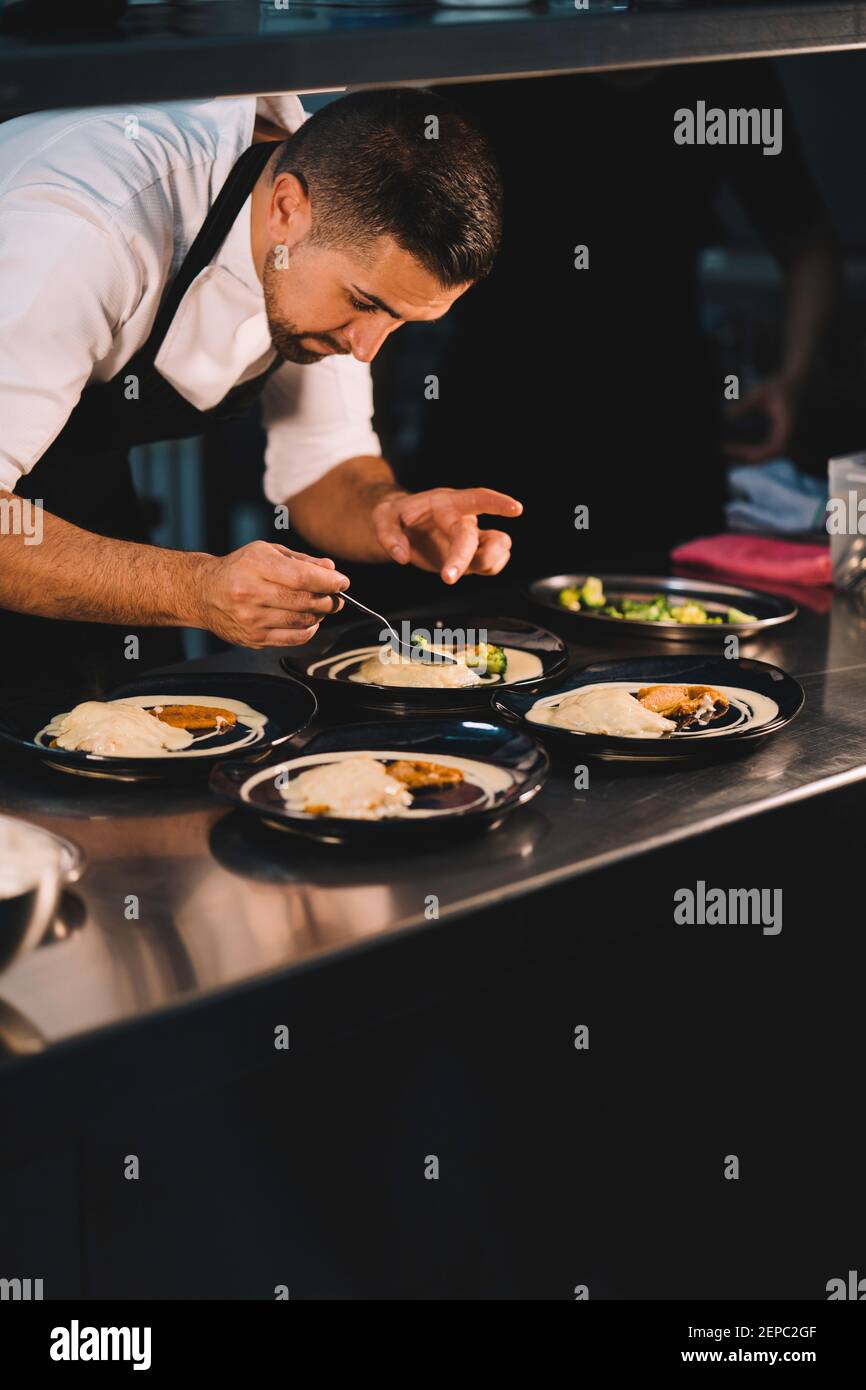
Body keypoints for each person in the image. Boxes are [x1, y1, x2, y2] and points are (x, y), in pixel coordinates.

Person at [0, 88, 520, 697]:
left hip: (69, 493)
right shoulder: (82, 227)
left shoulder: (327, 234)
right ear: (285, 209)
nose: (367, 348)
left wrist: (385, 514)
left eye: (400, 322)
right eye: (363, 304)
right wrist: (192, 588)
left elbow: (323, 463)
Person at [372, 61, 837, 585]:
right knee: (472, 617)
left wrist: (792, 380)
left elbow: (809, 245)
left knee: (669, 626)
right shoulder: (501, 67)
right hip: (499, 404)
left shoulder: (725, 74)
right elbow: (396, 253)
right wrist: (375, 438)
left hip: (661, 422)